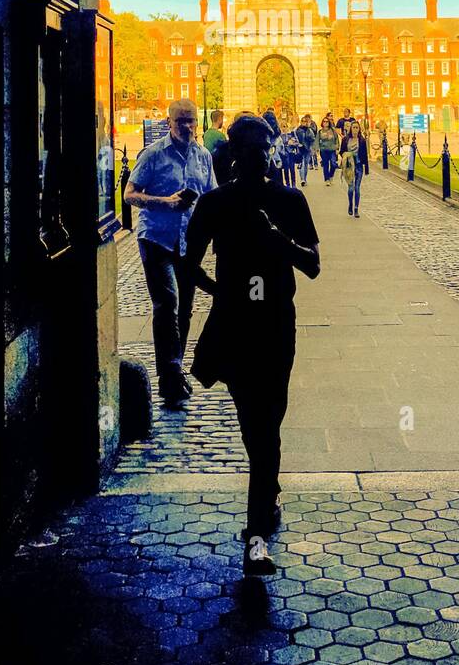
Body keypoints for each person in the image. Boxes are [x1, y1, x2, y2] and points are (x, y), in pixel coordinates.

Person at [187, 115, 320, 576]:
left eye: (261, 150)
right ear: (236, 154)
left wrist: (274, 239)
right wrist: (218, 293)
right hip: (241, 323)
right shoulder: (215, 203)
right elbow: (189, 265)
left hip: (273, 322)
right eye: (249, 151)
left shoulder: (287, 200)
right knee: (258, 427)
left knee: (266, 423)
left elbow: (314, 265)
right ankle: (260, 518)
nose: (256, 158)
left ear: (269, 153)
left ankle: (261, 515)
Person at [123, 98, 217, 408]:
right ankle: (169, 375)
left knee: (185, 308)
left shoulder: (203, 157)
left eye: (191, 121)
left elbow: (210, 197)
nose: (187, 127)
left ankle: (175, 368)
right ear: (169, 122)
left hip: (188, 241)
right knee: (167, 303)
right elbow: (129, 194)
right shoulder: (153, 155)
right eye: (181, 121)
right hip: (156, 238)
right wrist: (166, 201)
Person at [340, 118, 369, 218]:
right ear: (351, 129)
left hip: (359, 166)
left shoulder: (362, 140)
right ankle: (350, 204)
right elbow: (341, 151)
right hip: (349, 166)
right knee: (351, 188)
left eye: (357, 127)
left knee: (357, 188)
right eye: (353, 127)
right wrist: (346, 155)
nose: (355, 129)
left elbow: (365, 155)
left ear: (359, 129)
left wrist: (367, 169)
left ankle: (356, 208)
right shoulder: (346, 139)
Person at [203, 108, 232, 185]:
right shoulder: (220, 136)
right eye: (222, 119)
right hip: (219, 168)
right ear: (219, 119)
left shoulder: (206, 133)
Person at [262, 109, 286, 184]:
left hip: (264, 166)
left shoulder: (261, 137)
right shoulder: (278, 137)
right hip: (277, 165)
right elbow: (282, 152)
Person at [295, 114, 316, 187]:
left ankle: (305, 178)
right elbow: (295, 139)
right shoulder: (298, 130)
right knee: (302, 164)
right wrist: (297, 144)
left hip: (307, 149)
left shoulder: (309, 130)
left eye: (305, 121)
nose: (303, 122)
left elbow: (313, 139)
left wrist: (312, 148)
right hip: (300, 149)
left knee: (306, 164)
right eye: (302, 121)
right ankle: (302, 179)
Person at [318, 115, 339, 184]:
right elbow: (317, 140)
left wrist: (337, 148)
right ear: (322, 123)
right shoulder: (320, 131)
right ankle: (327, 179)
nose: (325, 122)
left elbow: (336, 139)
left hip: (332, 150)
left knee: (333, 164)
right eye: (324, 121)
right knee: (326, 165)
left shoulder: (333, 131)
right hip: (324, 150)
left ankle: (331, 176)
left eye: (327, 121)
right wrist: (317, 149)